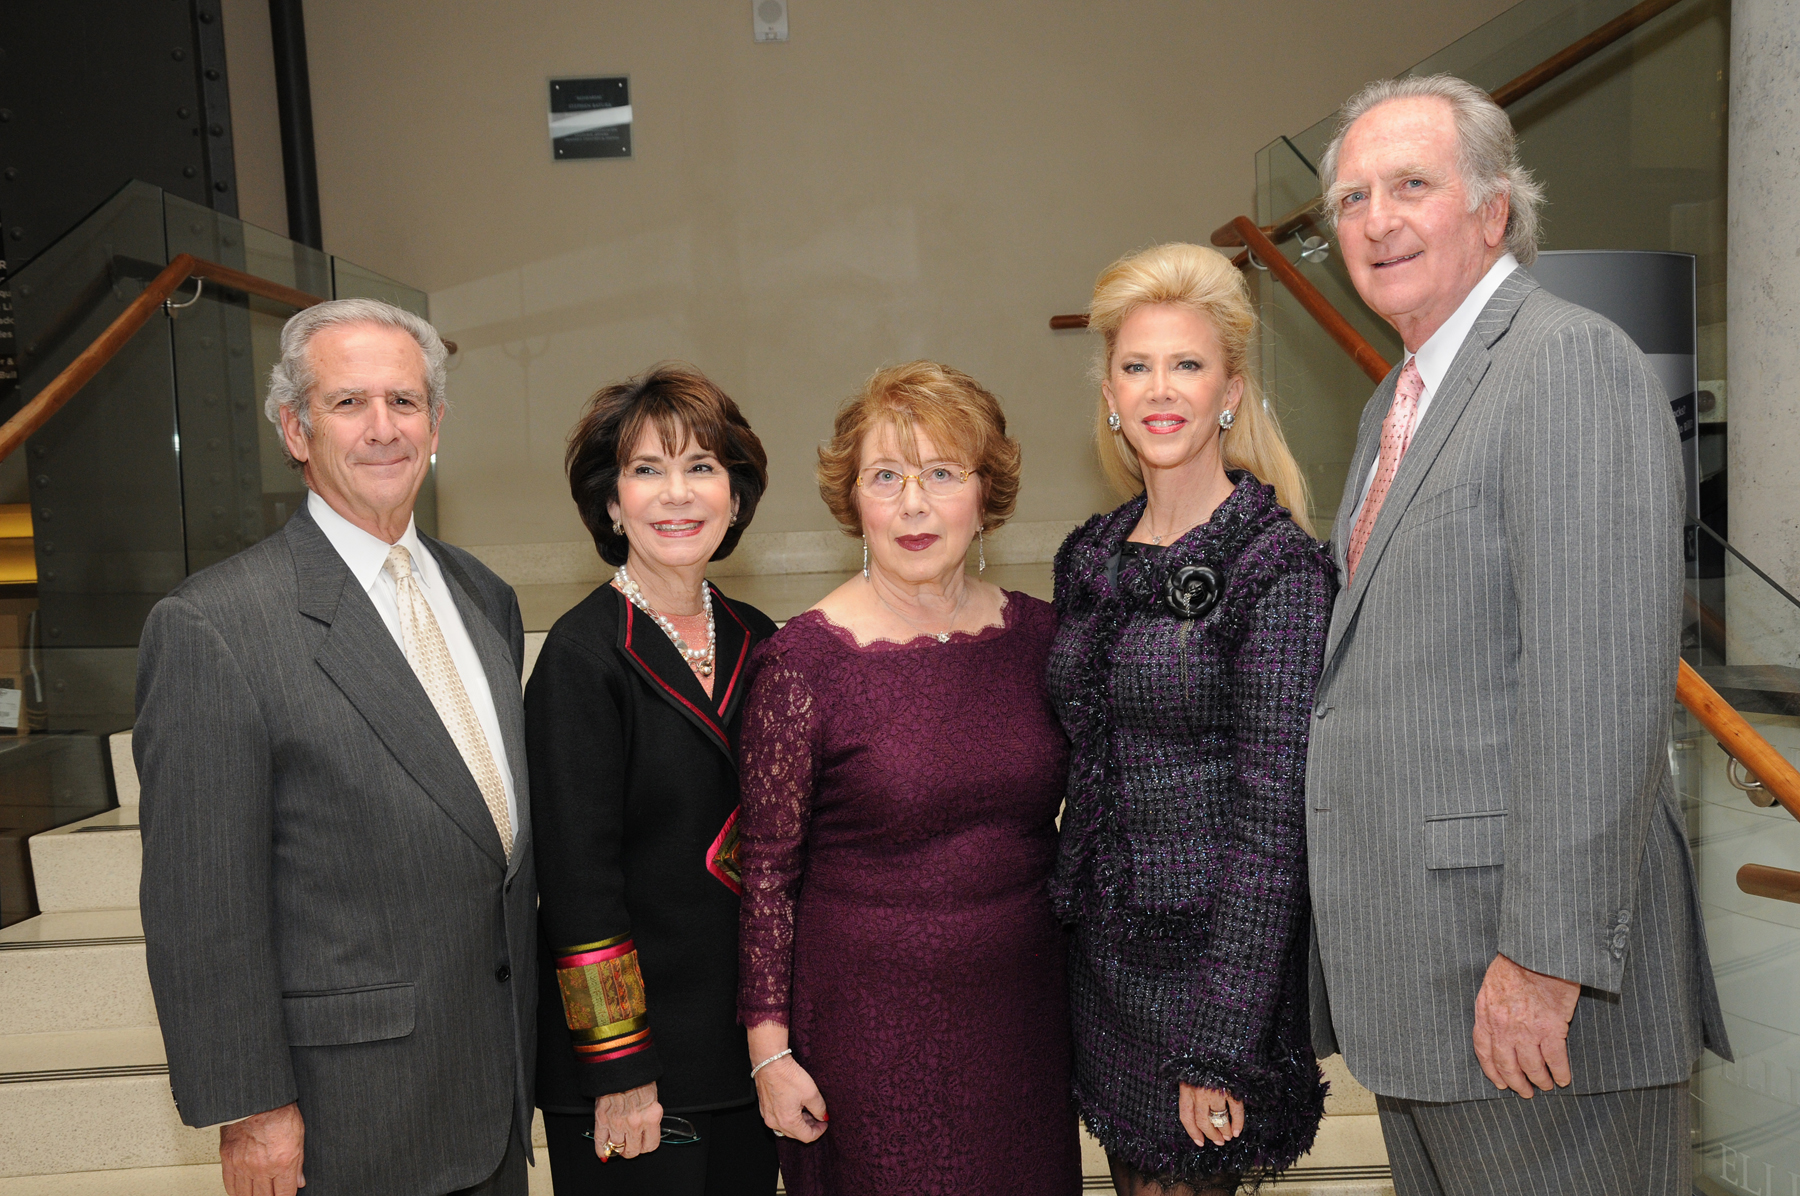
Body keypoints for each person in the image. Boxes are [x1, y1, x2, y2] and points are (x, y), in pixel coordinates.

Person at [1305, 74, 1730, 1195]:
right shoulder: (1397, 402)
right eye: (1352, 198)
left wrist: (1544, 960)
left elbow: (1598, 688)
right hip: (1431, 994)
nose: (1377, 218)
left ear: (1494, 209)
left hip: (1535, 1008)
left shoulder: (1564, 363)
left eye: (1411, 184)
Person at [135, 298, 536, 1196]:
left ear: (438, 425)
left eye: (405, 401)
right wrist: (253, 1110)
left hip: (492, 1097)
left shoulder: (485, 597)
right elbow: (200, 907)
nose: (383, 428)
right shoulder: (216, 626)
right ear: (294, 429)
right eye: (349, 403)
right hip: (343, 1120)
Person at [736, 361, 1082, 1195]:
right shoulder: (803, 664)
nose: (914, 505)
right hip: (866, 1039)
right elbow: (766, 879)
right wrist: (769, 1053)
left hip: (1024, 1028)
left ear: (984, 493)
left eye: (941, 474)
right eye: (885, 477)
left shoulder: (1043, 639)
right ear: (853, 500)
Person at [1046, 243, 1334, 1196]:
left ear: (1231, 392)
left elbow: (1273, 825)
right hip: (1102, 967)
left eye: (1187, 365)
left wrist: (1221, 1041)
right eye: (1137, 366)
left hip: (1213, 975)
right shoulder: (1087, 553)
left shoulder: (1276, 567)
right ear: (1110, 393)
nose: (1159, 389)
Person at [528, 365, 779, 1194]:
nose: (678, 494)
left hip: (746, 1057)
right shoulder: (581, 654)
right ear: (611, 502)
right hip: (635, 1073)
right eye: (647, 470)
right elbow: (577, 885)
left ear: (735, 498)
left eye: (702, 467)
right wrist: (619, 1067)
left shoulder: (761, 638)